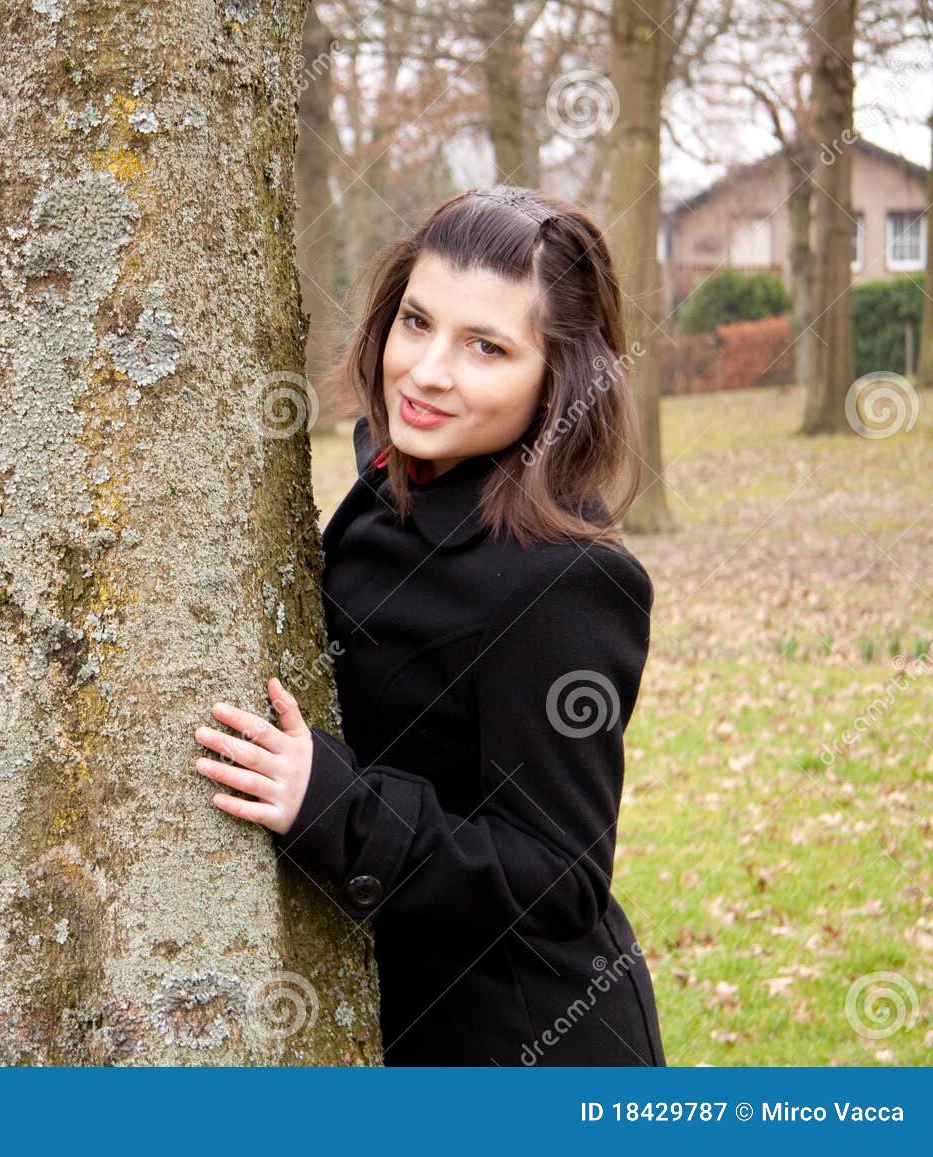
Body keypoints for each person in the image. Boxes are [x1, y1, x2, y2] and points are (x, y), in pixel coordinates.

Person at [192, 186, 666, 1066]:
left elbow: (562, 878)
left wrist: (338, 808)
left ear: (560, 380)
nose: (428, 370)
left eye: (487, 346)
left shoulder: (568, 581)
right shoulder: (398, 472)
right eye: (418, 322)